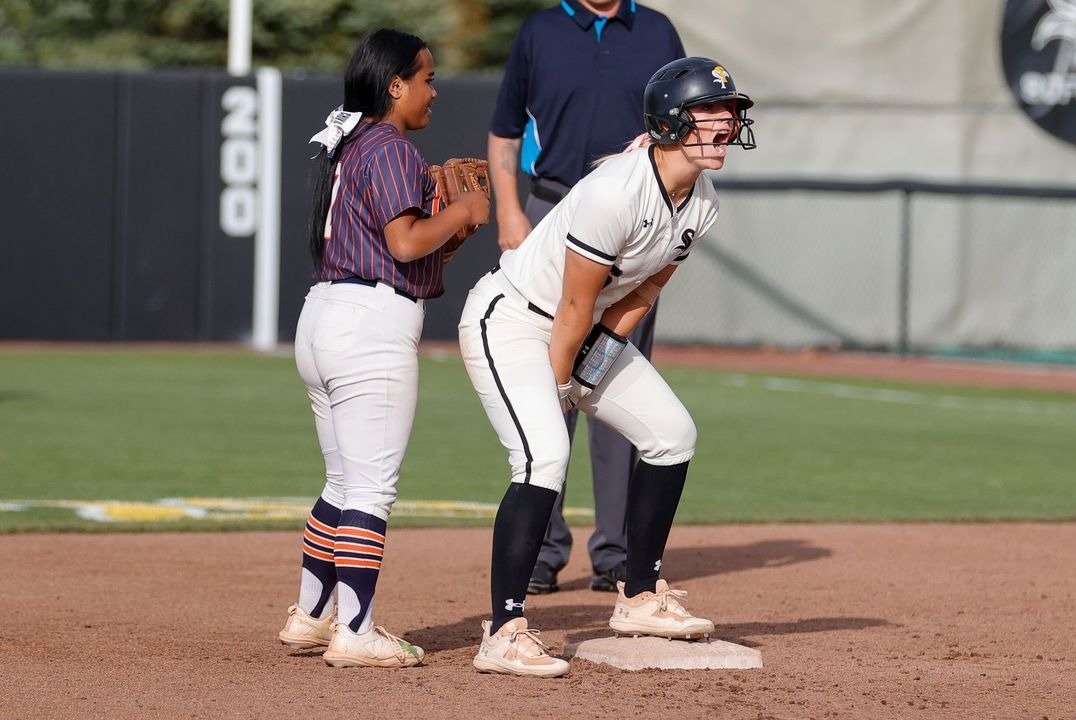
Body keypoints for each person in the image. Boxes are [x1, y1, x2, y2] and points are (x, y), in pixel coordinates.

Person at [459, 56, 756, 677]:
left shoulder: (702, 201)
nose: (726, 122)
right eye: (710, 111)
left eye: (730, 111)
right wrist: (562, 384)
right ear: (669, 121)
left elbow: (644, 293)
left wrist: (591, 369)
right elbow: (571, 304)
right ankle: (504, 630)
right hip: (512, 320)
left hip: (583, 326)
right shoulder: (616, 191)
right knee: (544, 457)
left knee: (672, 435)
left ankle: (639, 597)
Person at [276, 28, 490, 669]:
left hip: (323, 315)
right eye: (427, 78)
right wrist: (464, 211)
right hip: (370, 325)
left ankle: (311, 616)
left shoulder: (352, 141)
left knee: (342, 481)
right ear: (396, 85)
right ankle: (356, 630)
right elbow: (404, 242)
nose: (434, 91)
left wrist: (442, 223)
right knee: (369, 491)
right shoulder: (392, 147)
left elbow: (397, 244)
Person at [487, 0, 685, 595]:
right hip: (553, 211)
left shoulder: (656, 30)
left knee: (610, 378)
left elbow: (681, 124)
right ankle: (541, 551)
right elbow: (505, 131)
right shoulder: (540, 31)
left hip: (632, 222)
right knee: (546, 385)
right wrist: (510, 212)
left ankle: (616, 552)